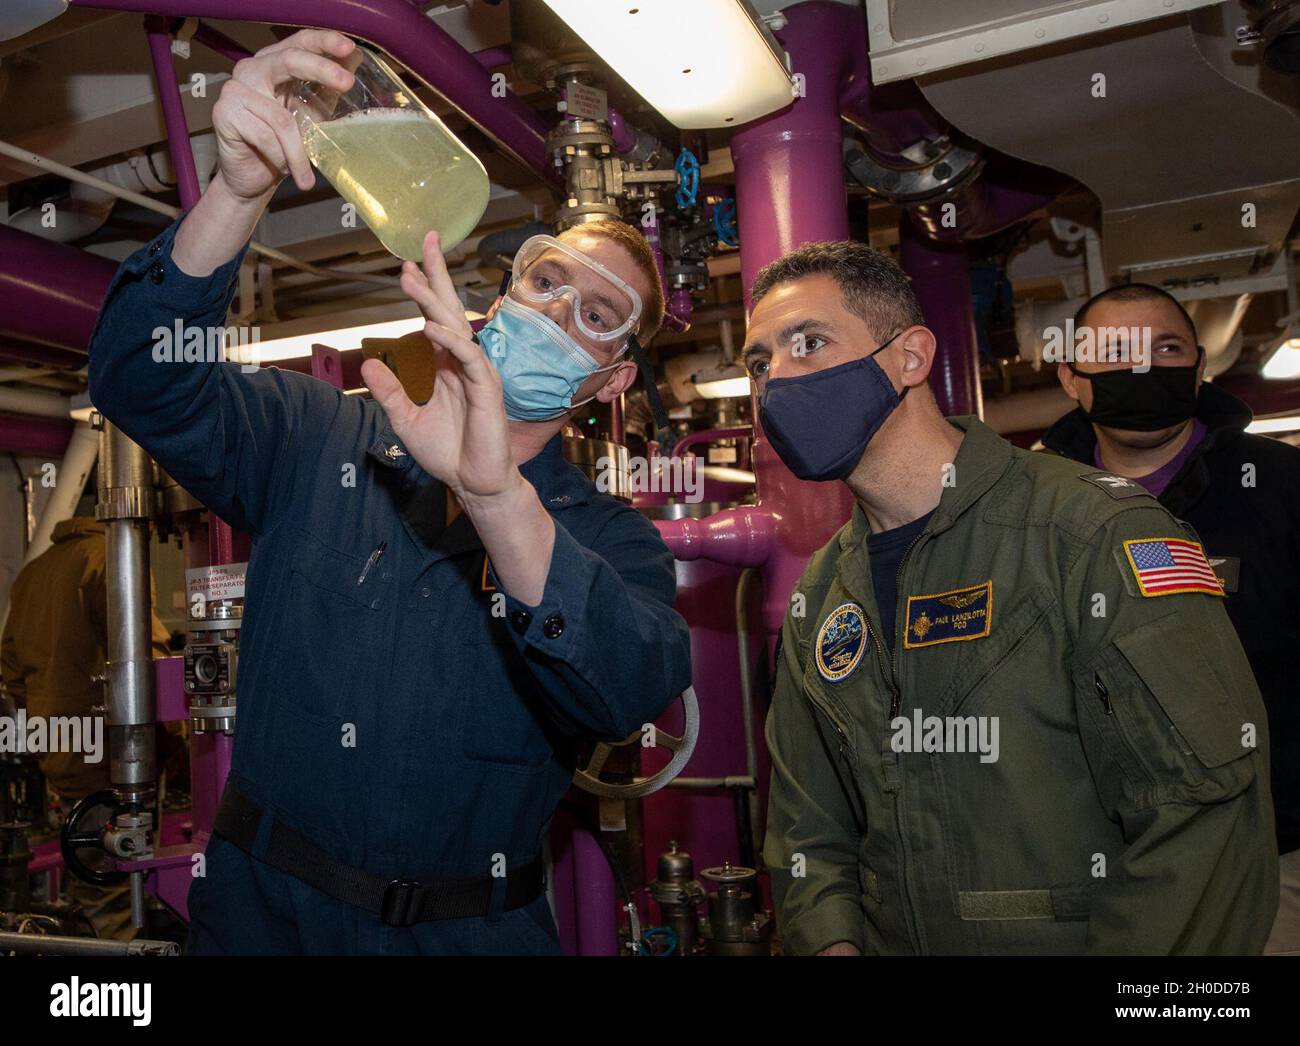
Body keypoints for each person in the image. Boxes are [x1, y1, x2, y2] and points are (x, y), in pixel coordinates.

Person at [85, 29, 691, 955]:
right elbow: (138, 378)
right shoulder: (322, 434)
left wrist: (496, 499)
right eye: (548, 279)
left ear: (609, 381)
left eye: (599, 315)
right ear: (503, 302)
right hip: (264, 921)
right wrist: (234, 194)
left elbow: (624, 691)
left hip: (466, 934)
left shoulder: (614, 544)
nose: (562, 310)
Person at [746, 240, 1277, 955]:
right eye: (757, 363)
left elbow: (1202, 825)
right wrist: (830, 940)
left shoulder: (1091, 536)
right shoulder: (822, 592)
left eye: (808, 343)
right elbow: (808, 825)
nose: (776, 379)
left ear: (910, 357)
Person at [1045, 282, 1300, 954]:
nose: (1144, 368)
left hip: (1270, 855)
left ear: (1200, 366)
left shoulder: (1282, 487)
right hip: (1097, 866)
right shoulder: (1032, 508)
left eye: (1165, 349)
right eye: (1116, 352)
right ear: (1072, 377)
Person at [0, 499, 173, 811]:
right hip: (113, 759)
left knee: (81, 845)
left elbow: (12, 669)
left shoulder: (31, 574)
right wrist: (178, 737)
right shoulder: (113, 559)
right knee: (120, 851)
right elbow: (146, 657)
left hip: (56, 749)